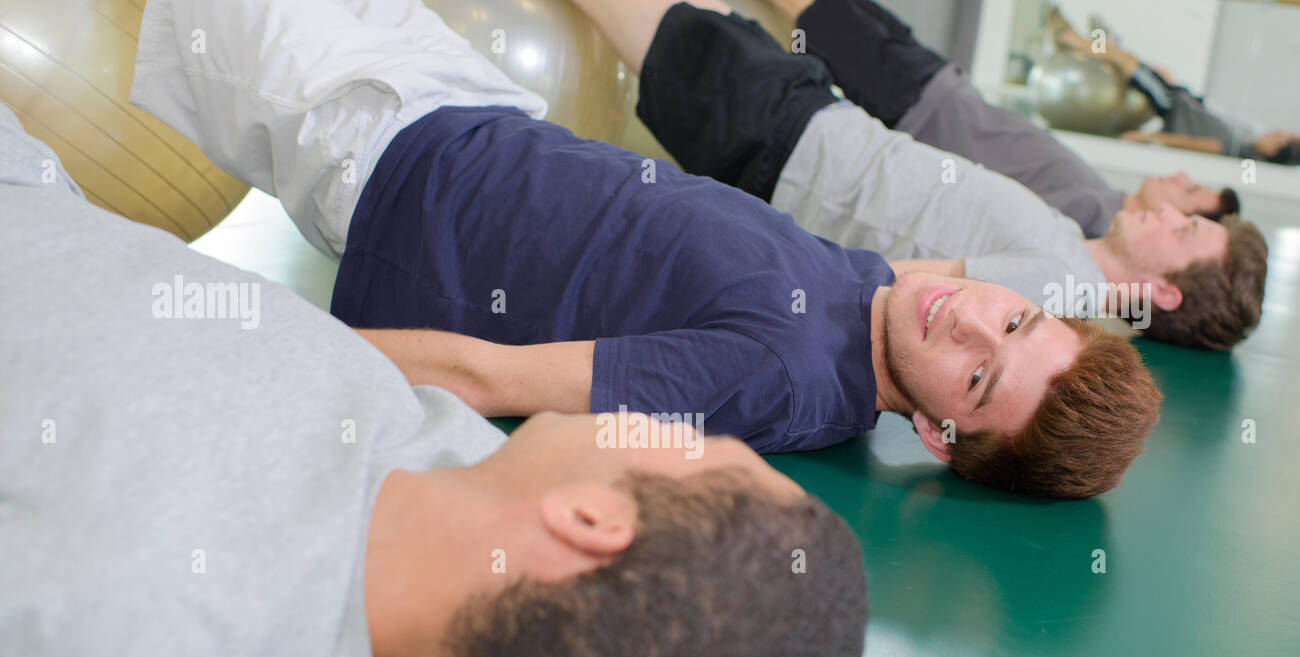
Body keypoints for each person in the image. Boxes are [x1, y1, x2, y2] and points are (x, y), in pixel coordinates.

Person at [0, 102, 870, 657]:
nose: (665, 426)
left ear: (591, 519)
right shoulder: (454, 463)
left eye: (691, 445)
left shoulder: (126, 639)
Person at [131, 0, 1161, 498]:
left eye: (981, 375)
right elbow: (933, 289)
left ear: (937, 436)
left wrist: (236, 354)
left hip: (380, 155)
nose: (975, 316)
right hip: (470, 109)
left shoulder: (778, 373)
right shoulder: (880, 303)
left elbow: (490, 377)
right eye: (1017, 317)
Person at [575, 0, 1268, 352]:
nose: (1170, 214)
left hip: (788, 146)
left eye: (1184, 232)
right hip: (811, 126)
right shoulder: (1071, 259)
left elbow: (893, 285)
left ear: (1164, 296)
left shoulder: (1064, 285)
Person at [768, 0, 1244, 239]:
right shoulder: (1107, 198)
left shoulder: (1094, 219)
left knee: (815, 15)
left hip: (919, 107)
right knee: (828, 10)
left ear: (1172, 223)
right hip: (938, 86)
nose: (1181, 177)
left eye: (1189, 192)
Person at [1042, 6, 1300, 166]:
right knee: (1135, 63)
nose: (1276, 131)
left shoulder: (1233, 147)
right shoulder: (1245, 138)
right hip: (1178, 97)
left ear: (1272, 150)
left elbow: (1186, 142)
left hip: (1169, 102)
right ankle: (1097, 40)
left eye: (1280, 137)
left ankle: (1069, 39)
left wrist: (1148, 138)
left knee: (1126, 61)